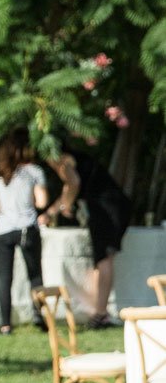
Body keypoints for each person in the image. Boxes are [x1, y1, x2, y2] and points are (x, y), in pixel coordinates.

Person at [42, 135, 133, 327]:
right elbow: (69, 188)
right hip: (110, 206)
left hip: (106, 209)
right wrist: (52, 211)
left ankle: (101, 313)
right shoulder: (74, 157)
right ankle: (99, 309)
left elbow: (73, 183)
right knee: (102, 259)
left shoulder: (62, 160)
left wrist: (65, 206)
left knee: (104, 258)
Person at [0, 133, 48, 335]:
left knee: (5, 279)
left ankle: (5, 324)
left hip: (3, 229)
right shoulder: (34, 172)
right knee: (35, 275)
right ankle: (39, 317)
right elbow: (42, 202)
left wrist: (3, 208)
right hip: (27, 227)